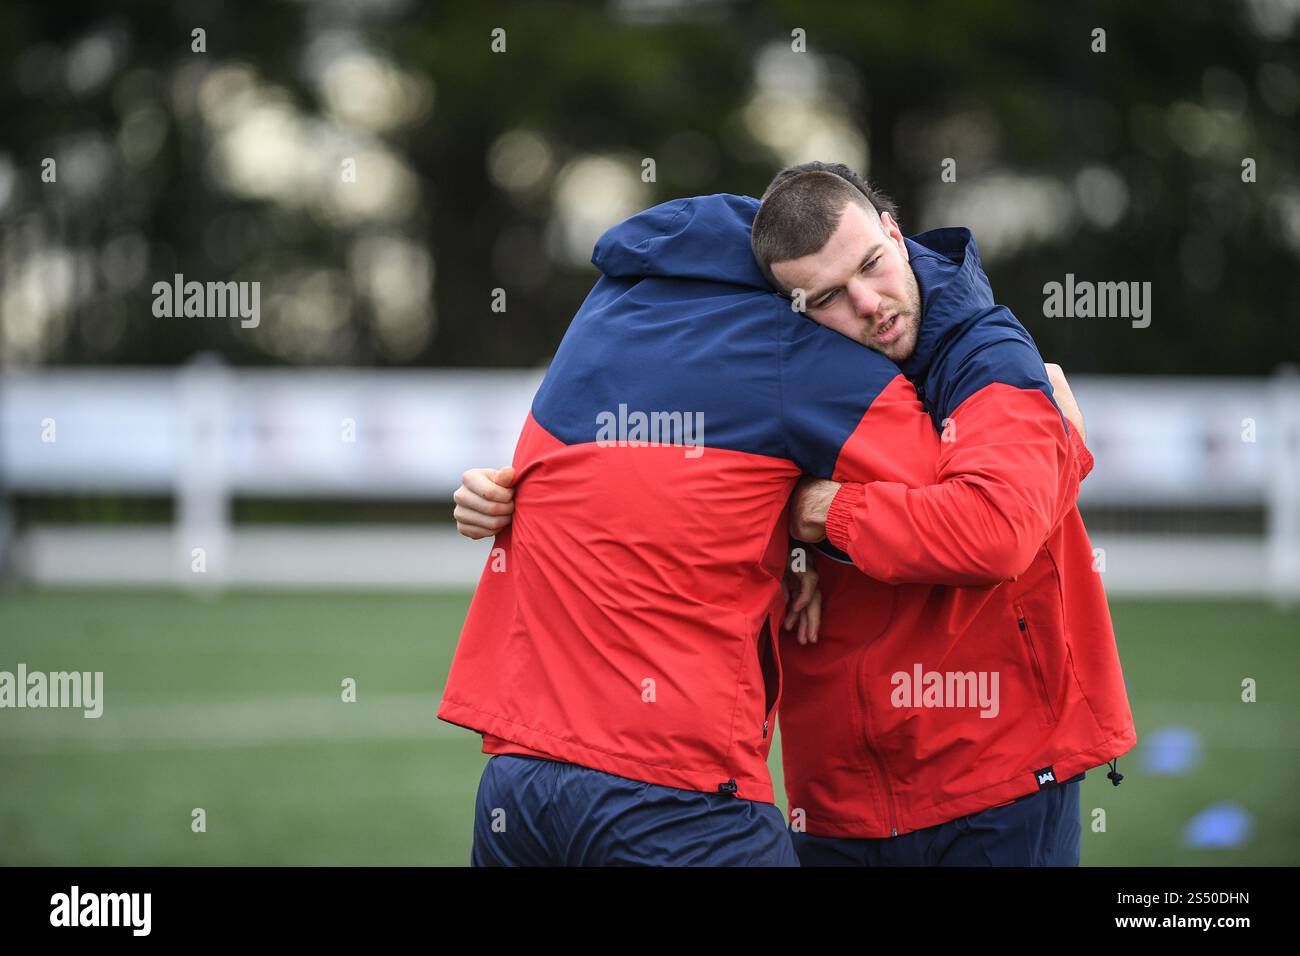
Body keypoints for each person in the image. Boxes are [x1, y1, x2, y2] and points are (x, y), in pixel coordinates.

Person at [446, 180, 1133, 866]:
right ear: (790, 305)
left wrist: (822, 510)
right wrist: (509, 497)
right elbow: (691, 488)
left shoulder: (991, 353)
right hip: (840, 790)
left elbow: (992, 529)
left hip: (997, 779)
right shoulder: (796, 358)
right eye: (827, 297)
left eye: (870, 265)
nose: (868, 305)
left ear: (896, 234)